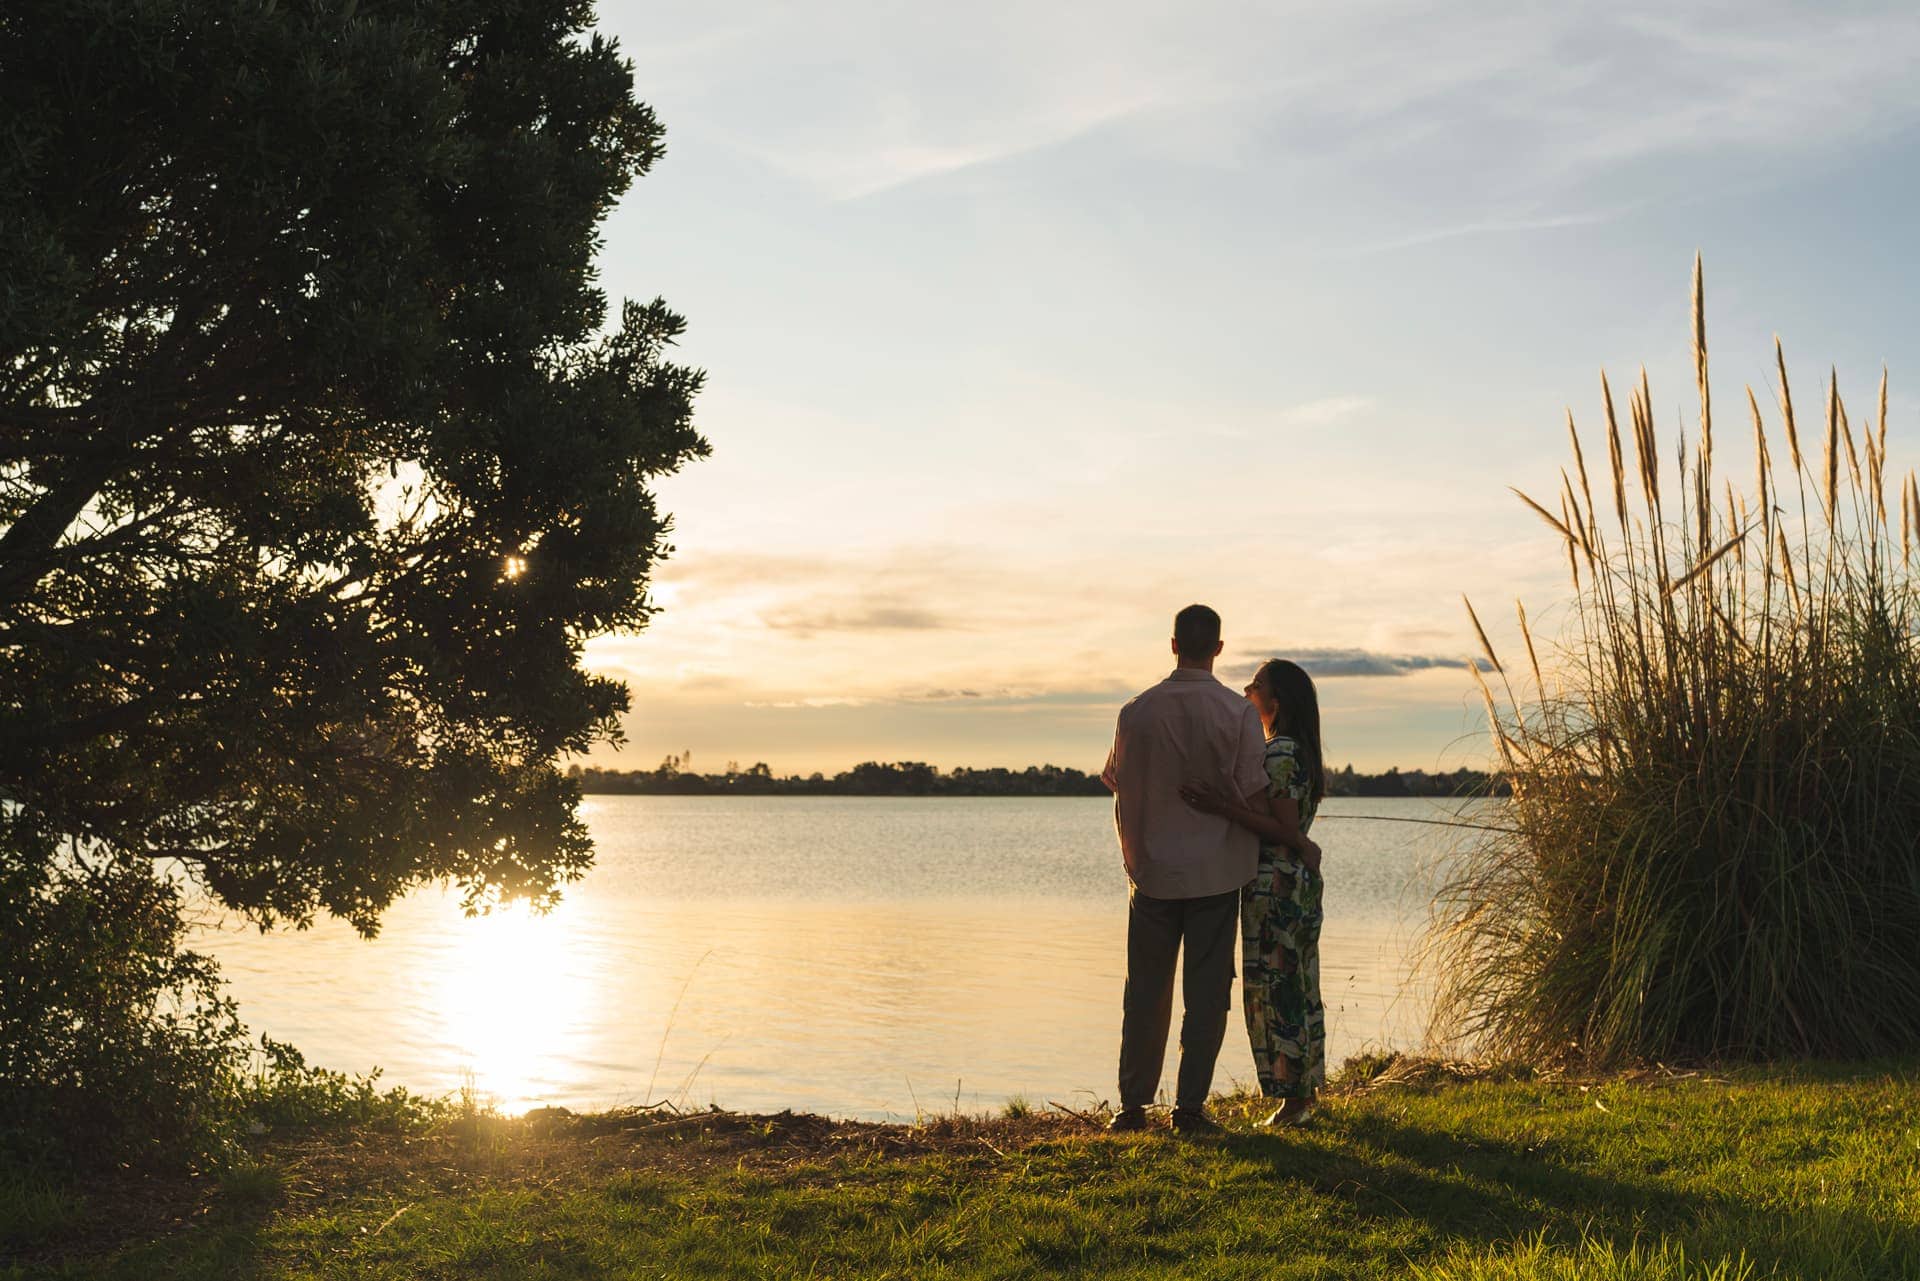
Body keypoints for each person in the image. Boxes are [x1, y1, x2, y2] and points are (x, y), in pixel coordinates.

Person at [1100, 606, 1318, 1135]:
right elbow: (1254, 793)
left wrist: (1142, 841)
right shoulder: (1236, 713)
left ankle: (1132, 1107)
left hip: (1151, 872)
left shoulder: (1136, 712)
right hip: (1217, 874)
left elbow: (1116, 785)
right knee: (1206, 996)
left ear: (1173, 644)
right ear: (1218, 648)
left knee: (1145, 992)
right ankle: (1189, 1108)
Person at [1181, 658, 1327, 1127]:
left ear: (1277, 699)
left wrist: (1219, 806)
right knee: (1298, 984)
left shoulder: (1281, 752)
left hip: (1277, 884)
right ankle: (1303, 1094)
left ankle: (1295, 1101)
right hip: (1290, 882)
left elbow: (1284, 829)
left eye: (1257, 684)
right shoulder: (1292, 750)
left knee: (1278, 987)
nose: (1246, 690)